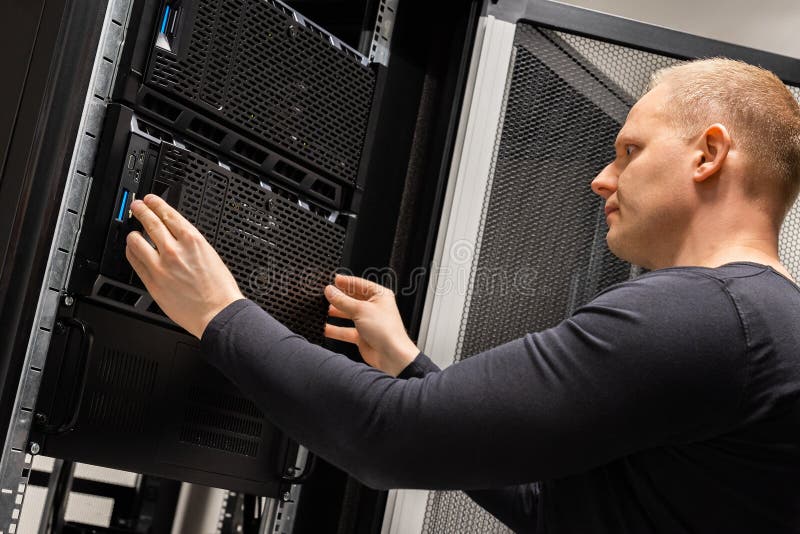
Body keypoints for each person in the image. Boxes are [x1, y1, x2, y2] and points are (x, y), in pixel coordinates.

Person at [124, 58, 800, 533]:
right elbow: (553, 509)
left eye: (628, 151)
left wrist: (217, 312)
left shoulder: (703, 317)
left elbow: (389, 441)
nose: (601, 178)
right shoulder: (764, 325)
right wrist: (410, 367)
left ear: (708, 155)